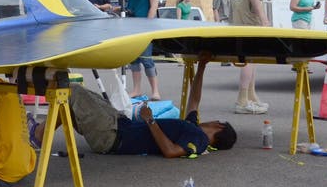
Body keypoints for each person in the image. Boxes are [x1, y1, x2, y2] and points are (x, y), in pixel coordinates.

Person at [31, 55, 236, 158]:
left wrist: (150, 119)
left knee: (73, 91)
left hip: (113, 135)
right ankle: (41, 134)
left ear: (219, 125)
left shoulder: (198, 140)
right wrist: (201, 67)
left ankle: (38, 136)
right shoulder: (194, 128)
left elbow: (171, 151)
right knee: (70, 98)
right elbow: (194, 101)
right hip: (116, 126)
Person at [126, 0, 161, 100]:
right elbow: (131, 7)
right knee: (133, 59)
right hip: (132, 26)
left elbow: (154, 5)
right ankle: (136, 90)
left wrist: (148, 24)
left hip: (145, 27)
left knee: (147, 59)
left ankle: (155, 91)